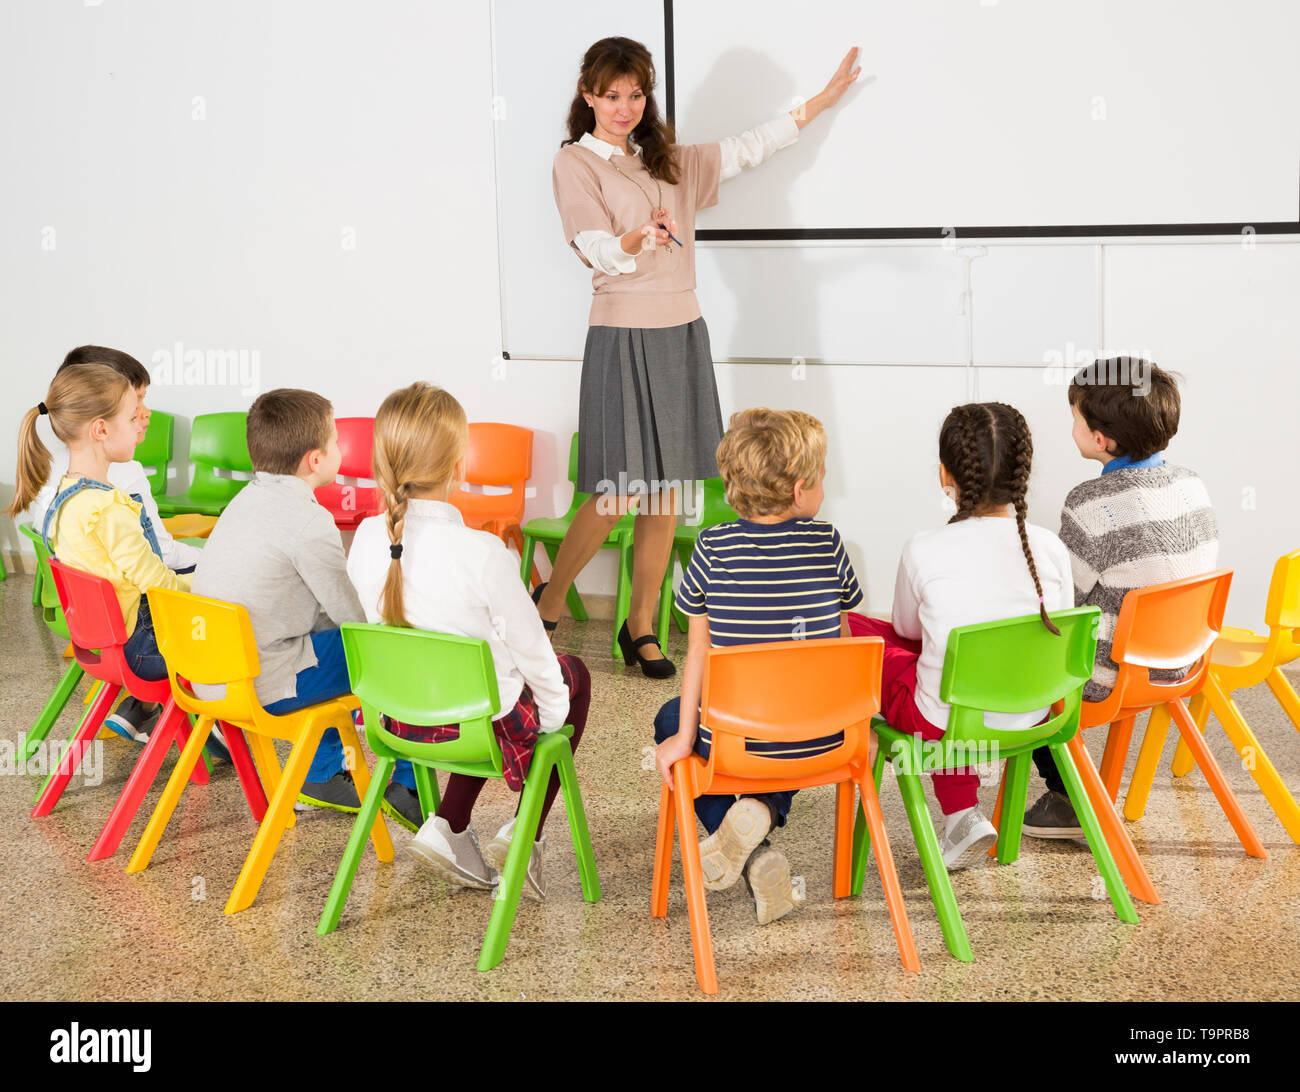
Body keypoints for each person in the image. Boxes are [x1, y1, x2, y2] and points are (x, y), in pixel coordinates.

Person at [541, 37, 862, 677]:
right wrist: (636, 236)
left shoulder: (667, 160)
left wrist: (818, 105)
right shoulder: (575, 164)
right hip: (624, 332)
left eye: (636, 94)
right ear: (588, 96)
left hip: (682, 329)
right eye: (612, 95)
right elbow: (597, 248)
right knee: (616, 492)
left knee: (666, 493)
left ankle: (641, 627)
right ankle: (546, 607)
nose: (626, 107)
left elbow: (749, 147)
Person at [348, 383, 591, 899]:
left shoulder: (365, 539)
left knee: (481, 684)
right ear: (460, 464)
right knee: (572, 676)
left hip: (394, 726)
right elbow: (536, 657)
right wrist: (549, 732)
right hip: (478, 729)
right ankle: (526, 832)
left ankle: (450, 825)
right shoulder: (483, 552)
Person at [653, 408, 861, 924]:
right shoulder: (829, 542)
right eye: (822, 474)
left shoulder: (711, 548)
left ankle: (753, 832)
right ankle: (762, 827)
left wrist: (681, 737)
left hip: (737, 739)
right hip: (825, 736)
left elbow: (698, 651)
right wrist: (857, 723)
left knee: (670, 718)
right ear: (798, 491)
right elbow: (842, 643)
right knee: (787, 719)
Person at [848, 403, 1074, 869]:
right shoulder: (1049, 547)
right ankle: (960, 819)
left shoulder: (923, 547)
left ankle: (960, 813)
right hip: (1033, 712)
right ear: (1022, 475)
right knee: (956, 671)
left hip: (943, 721)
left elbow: (908, 631)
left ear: (944, 475)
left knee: (848, 629)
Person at [190, 389, 422, 831]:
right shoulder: (306, 519)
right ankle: (409, 788)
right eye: (335, 441)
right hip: (260, 683)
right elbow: (351, 618)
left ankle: (319, 777)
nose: (340, 448)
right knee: (396, 652)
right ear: (316, 460)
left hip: (209, 676)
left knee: (320, 643)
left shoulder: (244, 501)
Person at [1024, 359, 1218, 838]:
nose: (1071, 426)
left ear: (1100, 440)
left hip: (1117, 675)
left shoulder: (1089, 504)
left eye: (1075, 418)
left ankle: (1069, 797)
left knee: (1027, 676)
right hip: (1186, 660)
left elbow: (1062, 600)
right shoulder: (1191, 484)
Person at [25, 347, 205, 741]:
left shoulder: (65, 496)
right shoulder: (110, 507)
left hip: (101, 646)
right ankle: (219, 725)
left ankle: (165, 717)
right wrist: (210, 586)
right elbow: (159, 584)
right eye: (132, 415)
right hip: (140, 650)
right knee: (236, 625)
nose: (143, 420)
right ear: (102, 430)